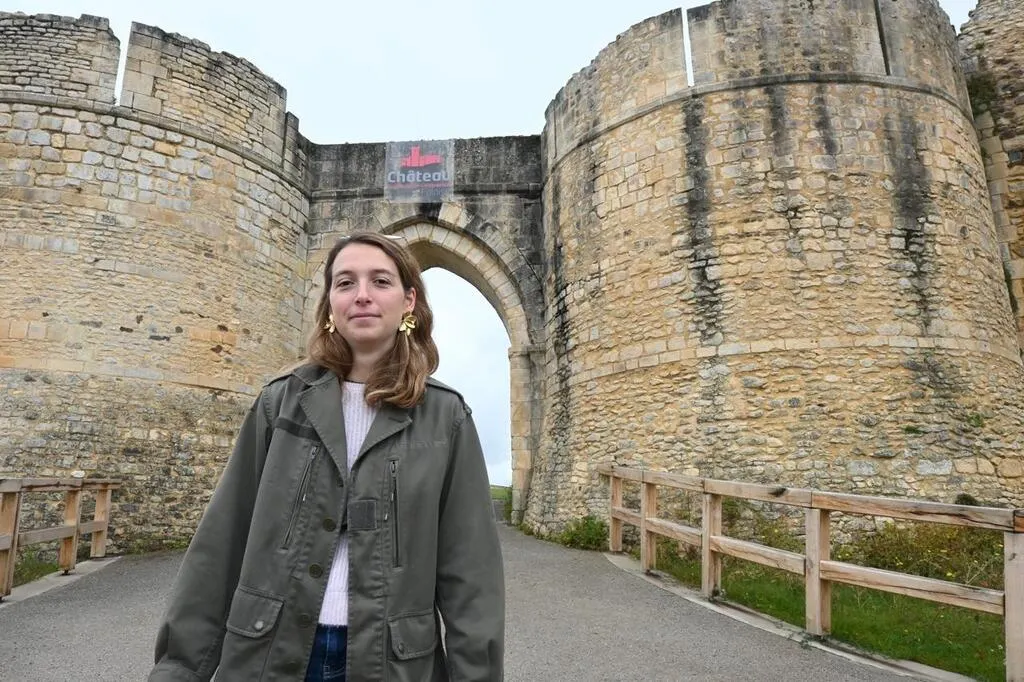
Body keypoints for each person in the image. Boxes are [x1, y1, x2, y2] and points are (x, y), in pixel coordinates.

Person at [149, 232, 505, 681]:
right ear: (330, 304)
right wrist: (180, 669)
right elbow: (222, 544)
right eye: (345, 283)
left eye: (380, 281)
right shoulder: (280, 404)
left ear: (408, 301)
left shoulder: (446, 417)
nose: (362, 296)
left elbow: (470, 573)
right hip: (270, 654)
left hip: (392, 665)